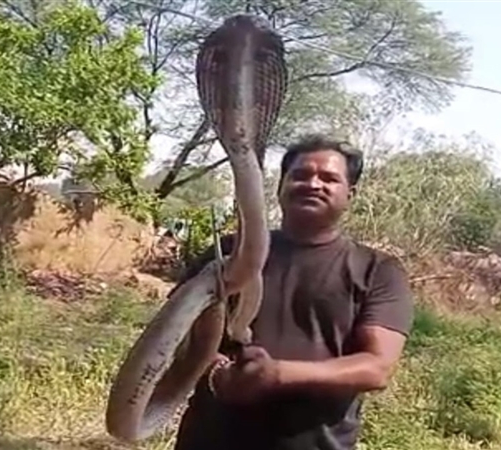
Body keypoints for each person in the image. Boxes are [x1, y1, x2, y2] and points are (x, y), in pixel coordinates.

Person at [172, 134, 414, 450]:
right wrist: (217, 370)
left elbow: (376, 367)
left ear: (349, 194)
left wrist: (278, 374)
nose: (313, 184)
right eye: (300, 175)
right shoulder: (231, 252)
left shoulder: (378, 269)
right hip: (208, 439)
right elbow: (177, 333)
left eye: (329, 178)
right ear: (280, 186)